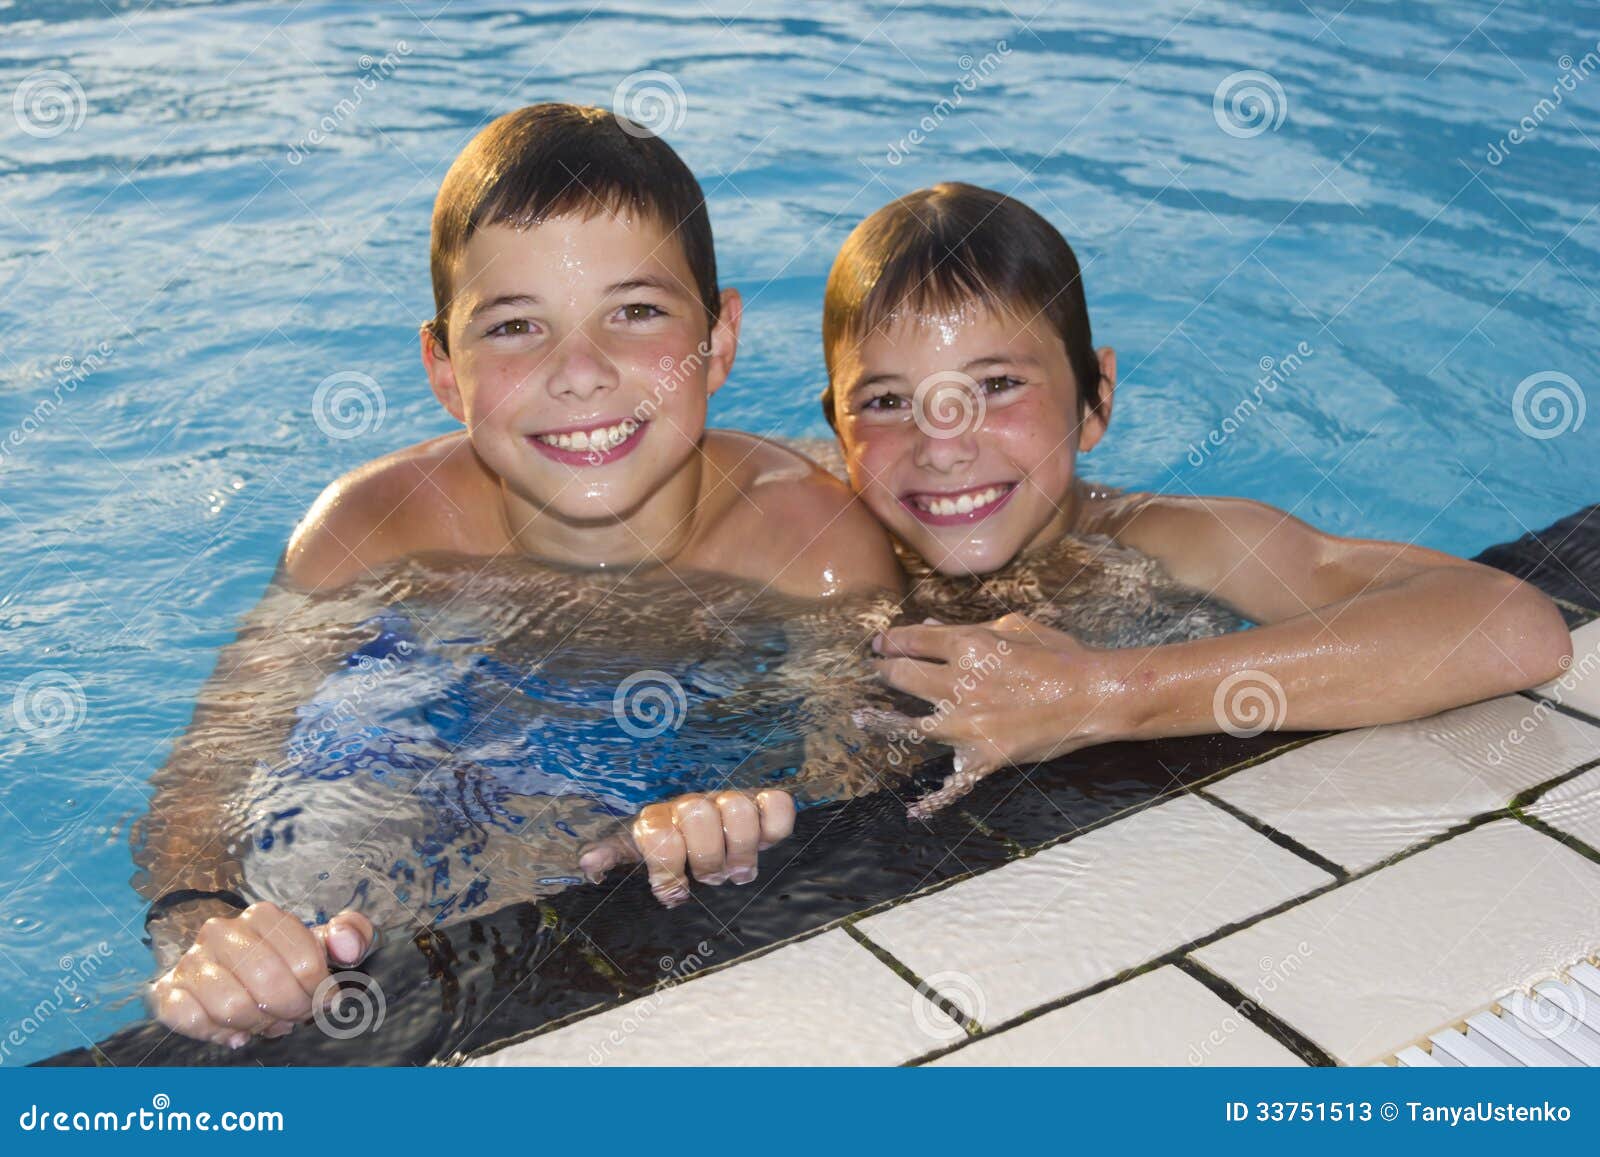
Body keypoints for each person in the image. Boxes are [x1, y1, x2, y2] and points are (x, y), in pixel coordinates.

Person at [141, 104, 901, 1048]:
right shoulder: (371, 531)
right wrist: (203, 929)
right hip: (414, 753)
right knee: (308, 895)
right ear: (444, 369)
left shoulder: (806, 540)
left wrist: (748, 823)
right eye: (512, 326)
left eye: (635, 312)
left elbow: (869, 774)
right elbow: (204, 786)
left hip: (664, 778)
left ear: (720, 337)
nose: (578, 371)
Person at [821, 181, 1573, 816]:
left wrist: (1103, 693)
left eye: (996, 385)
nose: (944, 444)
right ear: (836, 428)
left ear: (1095, 400)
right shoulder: (814, 533)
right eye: (887, 401)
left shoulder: (1169, 544)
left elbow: (1512, 627)